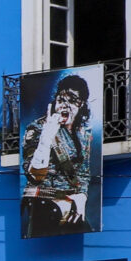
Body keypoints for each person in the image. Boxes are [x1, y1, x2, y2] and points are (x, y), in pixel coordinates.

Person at [21, 74, 94, 237]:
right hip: (42, 203)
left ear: (81, 104)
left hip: (71, 205)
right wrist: (46, 138)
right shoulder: (37, 128)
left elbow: (83, 173)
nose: (65, 106)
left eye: (72, 101)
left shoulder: (83, 133)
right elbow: (34, 176)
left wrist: (81, 198)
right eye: (61, 100)